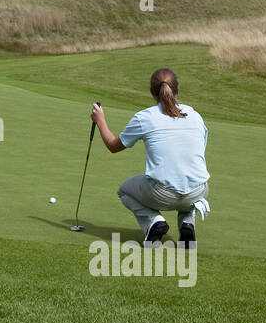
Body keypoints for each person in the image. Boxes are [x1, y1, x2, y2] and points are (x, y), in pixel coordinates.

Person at [89, 68, 209, 246]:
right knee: (188, 187)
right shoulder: (196, 115)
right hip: (198, 191)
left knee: (124, 190)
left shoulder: (145, 117)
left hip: (161, 194)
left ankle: (154, 222)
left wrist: (100, 121)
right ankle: (187, 224)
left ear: (153, 91)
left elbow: (113, 146)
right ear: (178, 88)